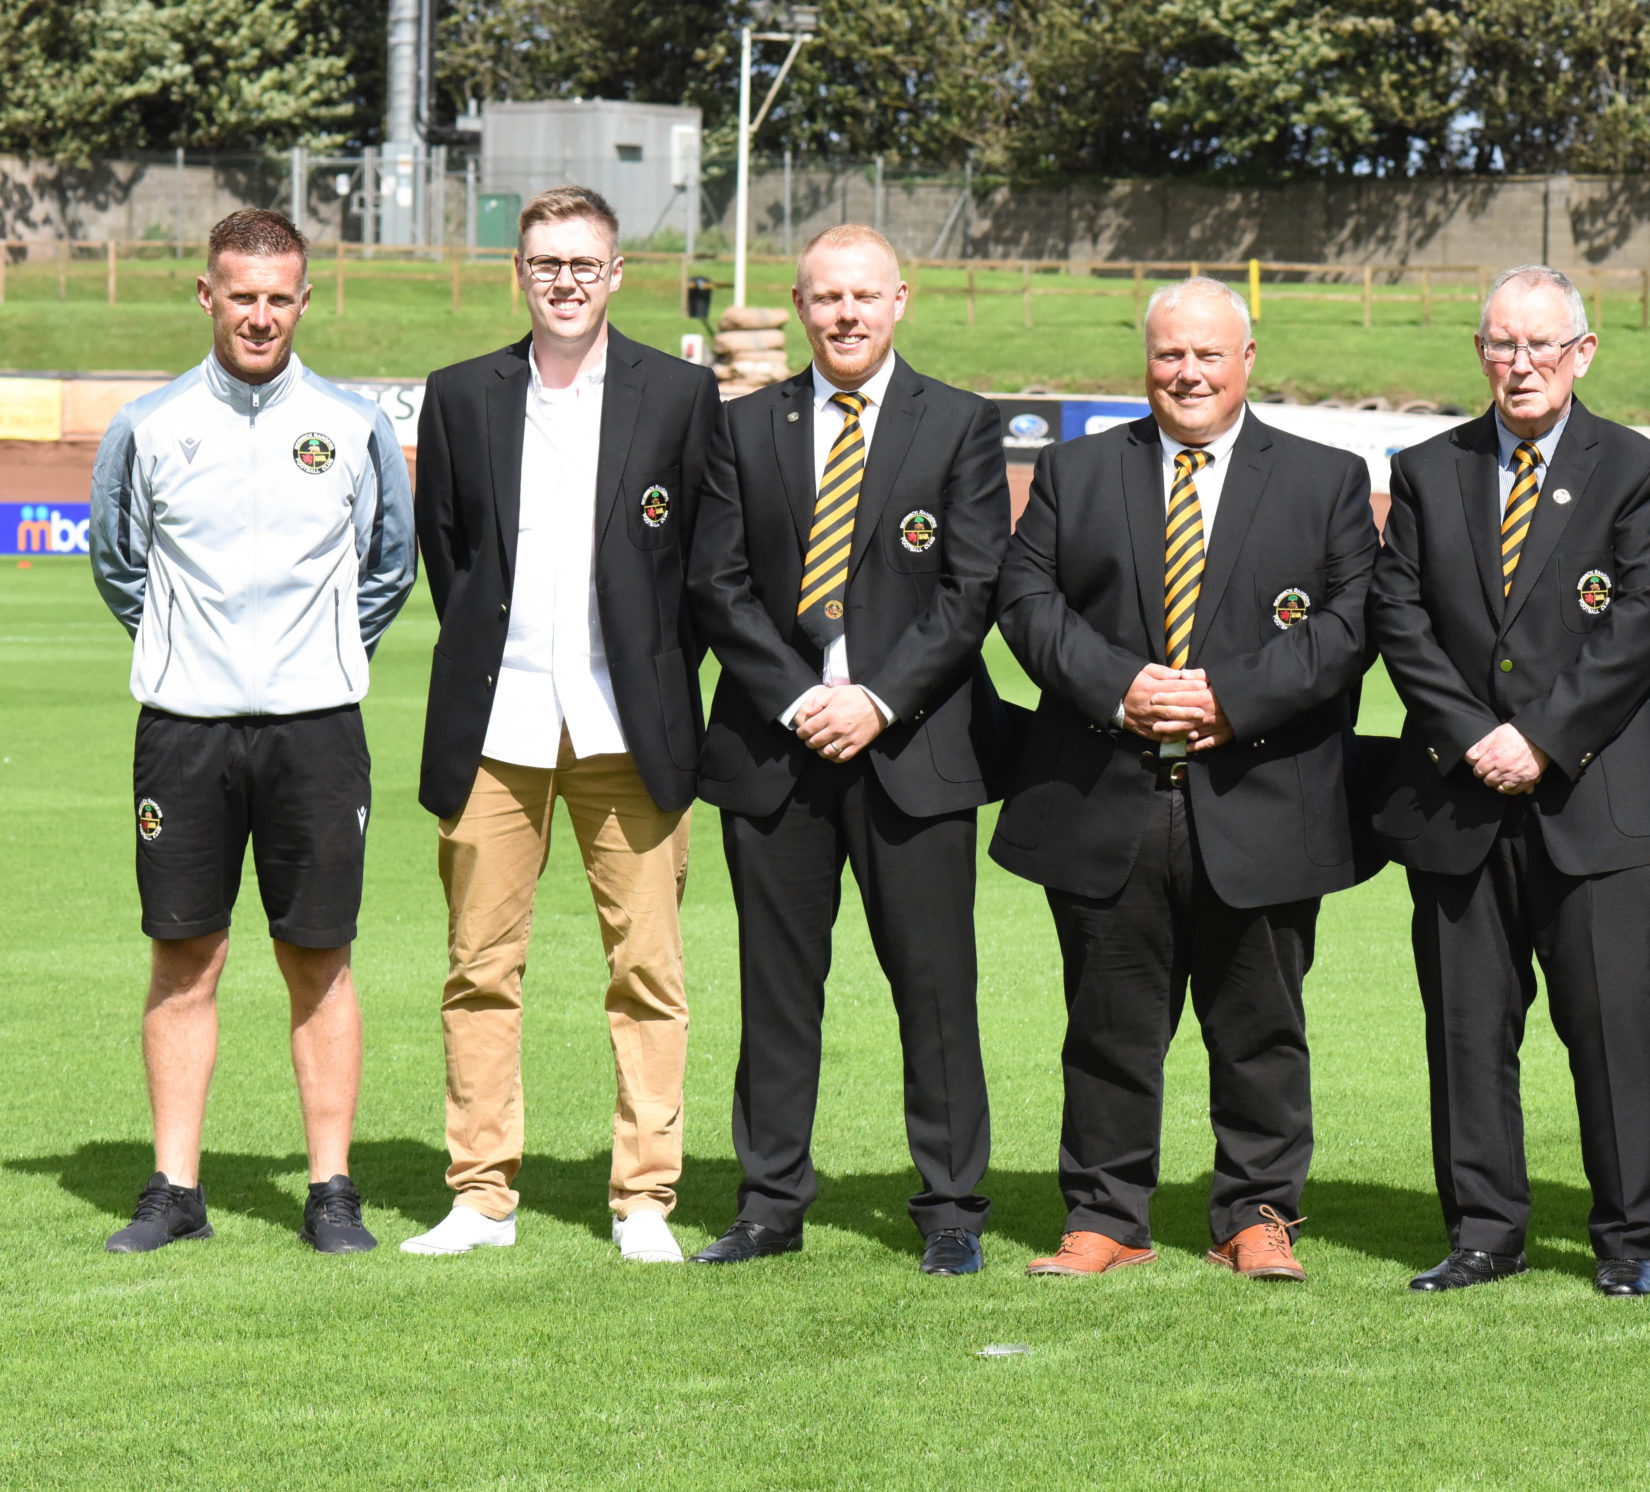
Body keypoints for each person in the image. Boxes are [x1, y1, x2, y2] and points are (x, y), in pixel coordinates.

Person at [404, 186, 769, 1262]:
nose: (564, 281)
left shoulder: (679, 395)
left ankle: (644, 1197)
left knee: (648, 973)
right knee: (479, 966)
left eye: (583, 264)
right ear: (518, 274)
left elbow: (704, 568)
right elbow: (449, 554)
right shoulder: (462, 394)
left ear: (615, 275)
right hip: (496, 728)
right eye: (544, 263)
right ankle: (480, 1193)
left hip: (631, 729)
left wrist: (659, 676)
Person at [992, 278, 1376, 1283]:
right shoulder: (1077, 471)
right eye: (1170, 354)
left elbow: (1348, 629)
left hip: (1260, 799)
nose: (1189, 372)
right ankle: (1105, 1215)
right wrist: (1123, 688)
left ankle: (1255, 1214)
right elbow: (1025, 601)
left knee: (1260, 1027)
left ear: (1248, 359)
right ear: (1145, 360)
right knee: (1108, 1027)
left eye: (1209, 354)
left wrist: (1223, 700)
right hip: (1105, 795)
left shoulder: (1324, 478)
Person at [1368, 265, 1650, 1296]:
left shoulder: (1643, 471)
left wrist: (1544, 738)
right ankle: (1483, 1231)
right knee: (1468, 1028)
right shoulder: (1429, 469)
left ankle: (1626, 1241)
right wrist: (1478, 735)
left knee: (1613, 1027)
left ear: (1583, 352)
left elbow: (1643, 622)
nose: (1520, 366)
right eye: (1501, 346)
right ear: (1480, 352)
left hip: (1594, 798)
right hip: (1459, 795)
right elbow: (1401, 619)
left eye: (1541, 346)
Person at [87, 207, 415, 1254]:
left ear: (305, 299)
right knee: (186, 953)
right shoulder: (148, 425)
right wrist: (197, 656)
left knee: (318, 954)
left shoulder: (356, 425)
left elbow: (388, 565)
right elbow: (117, 566)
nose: (261, 315)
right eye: (243, 295)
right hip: (183, 731)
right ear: (207, 296)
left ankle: (330, 1190)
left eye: (280, 296)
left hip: (316, 730)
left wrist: (307, 659)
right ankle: (175, 1188)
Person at [685, 226, 1012, 1273]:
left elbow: (970, 593)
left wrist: (874, 698)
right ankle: (771, 1200)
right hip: (774, 753)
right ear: (797, 304)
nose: (846, 315)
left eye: (865, 295)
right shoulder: (743, 429)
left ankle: (953, 1204)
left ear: (901, 299)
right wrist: (798, 701)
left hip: (912, 749)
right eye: (825, 297)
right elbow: (717, 587)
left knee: (935, 986)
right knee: (777, 985)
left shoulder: (958, 423)